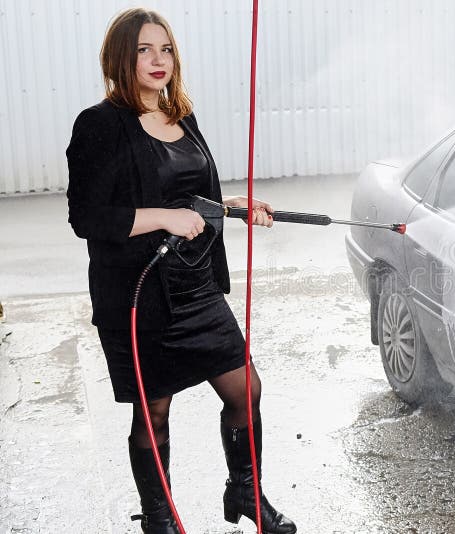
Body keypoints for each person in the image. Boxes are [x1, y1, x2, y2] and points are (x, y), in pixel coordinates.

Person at [66, 8, 296, 534]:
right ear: (120, 58)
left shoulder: (182, 116)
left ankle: (245, 491)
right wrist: (164, 217)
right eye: (144, 49)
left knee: (246, 390)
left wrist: (233, 204)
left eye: (165, 49)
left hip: (195, 287)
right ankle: (160, 517)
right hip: (139, 296)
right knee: (154, 412)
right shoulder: (99, 124)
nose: (157, 60)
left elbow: (193, 197)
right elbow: (88, 217)